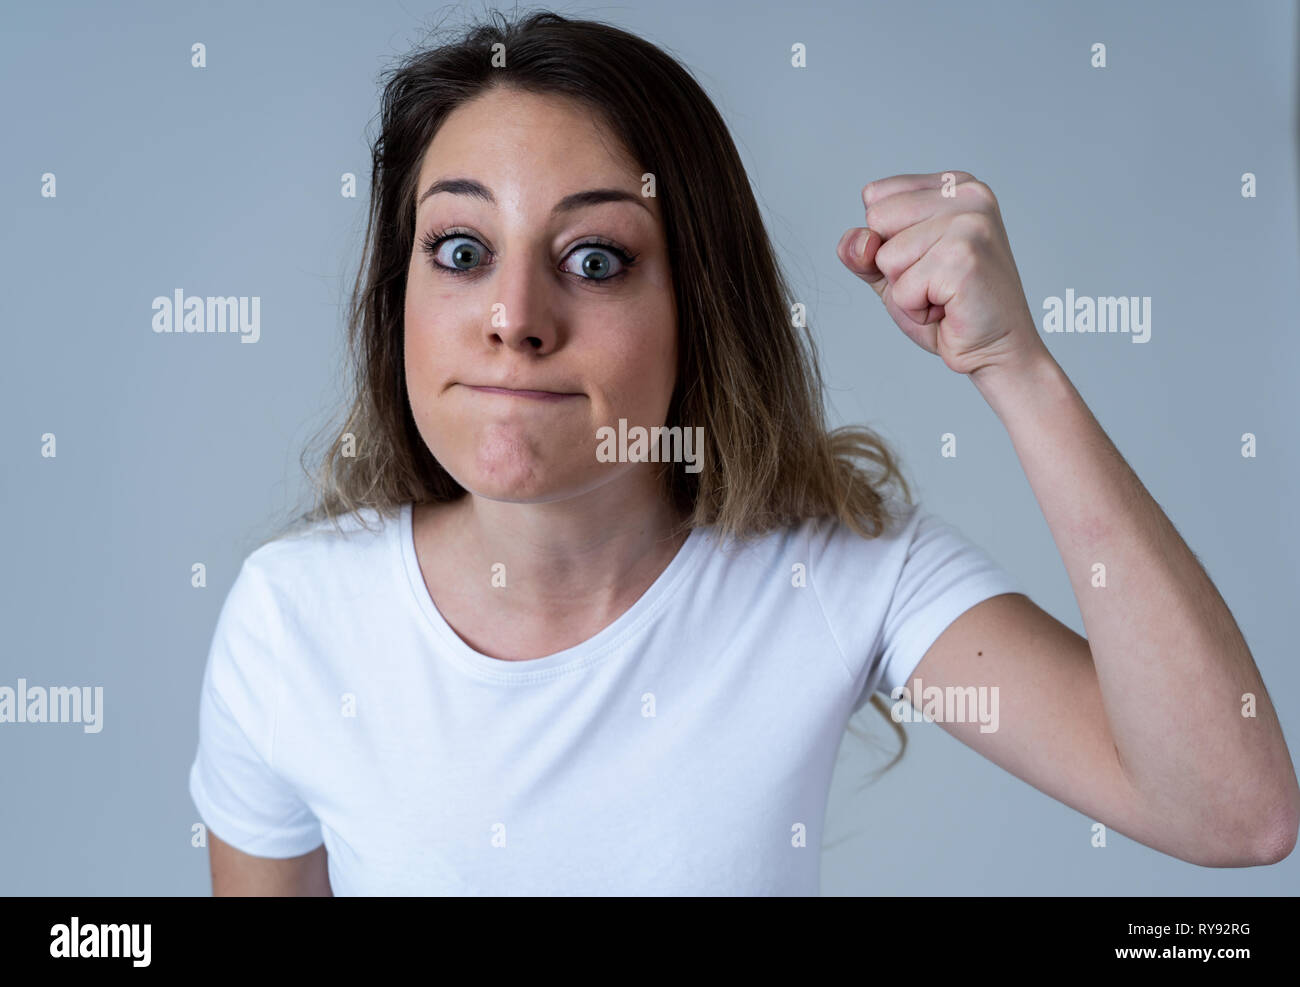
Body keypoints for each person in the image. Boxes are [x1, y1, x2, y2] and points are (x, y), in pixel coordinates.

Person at [188, 10, 1299, 895]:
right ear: (399, 299)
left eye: (594, 259)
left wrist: (1018, 369)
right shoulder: (292, 623)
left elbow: (1230, 811)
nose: (513, 316)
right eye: (463, 249)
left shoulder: (838, 576)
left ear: (699, 309)